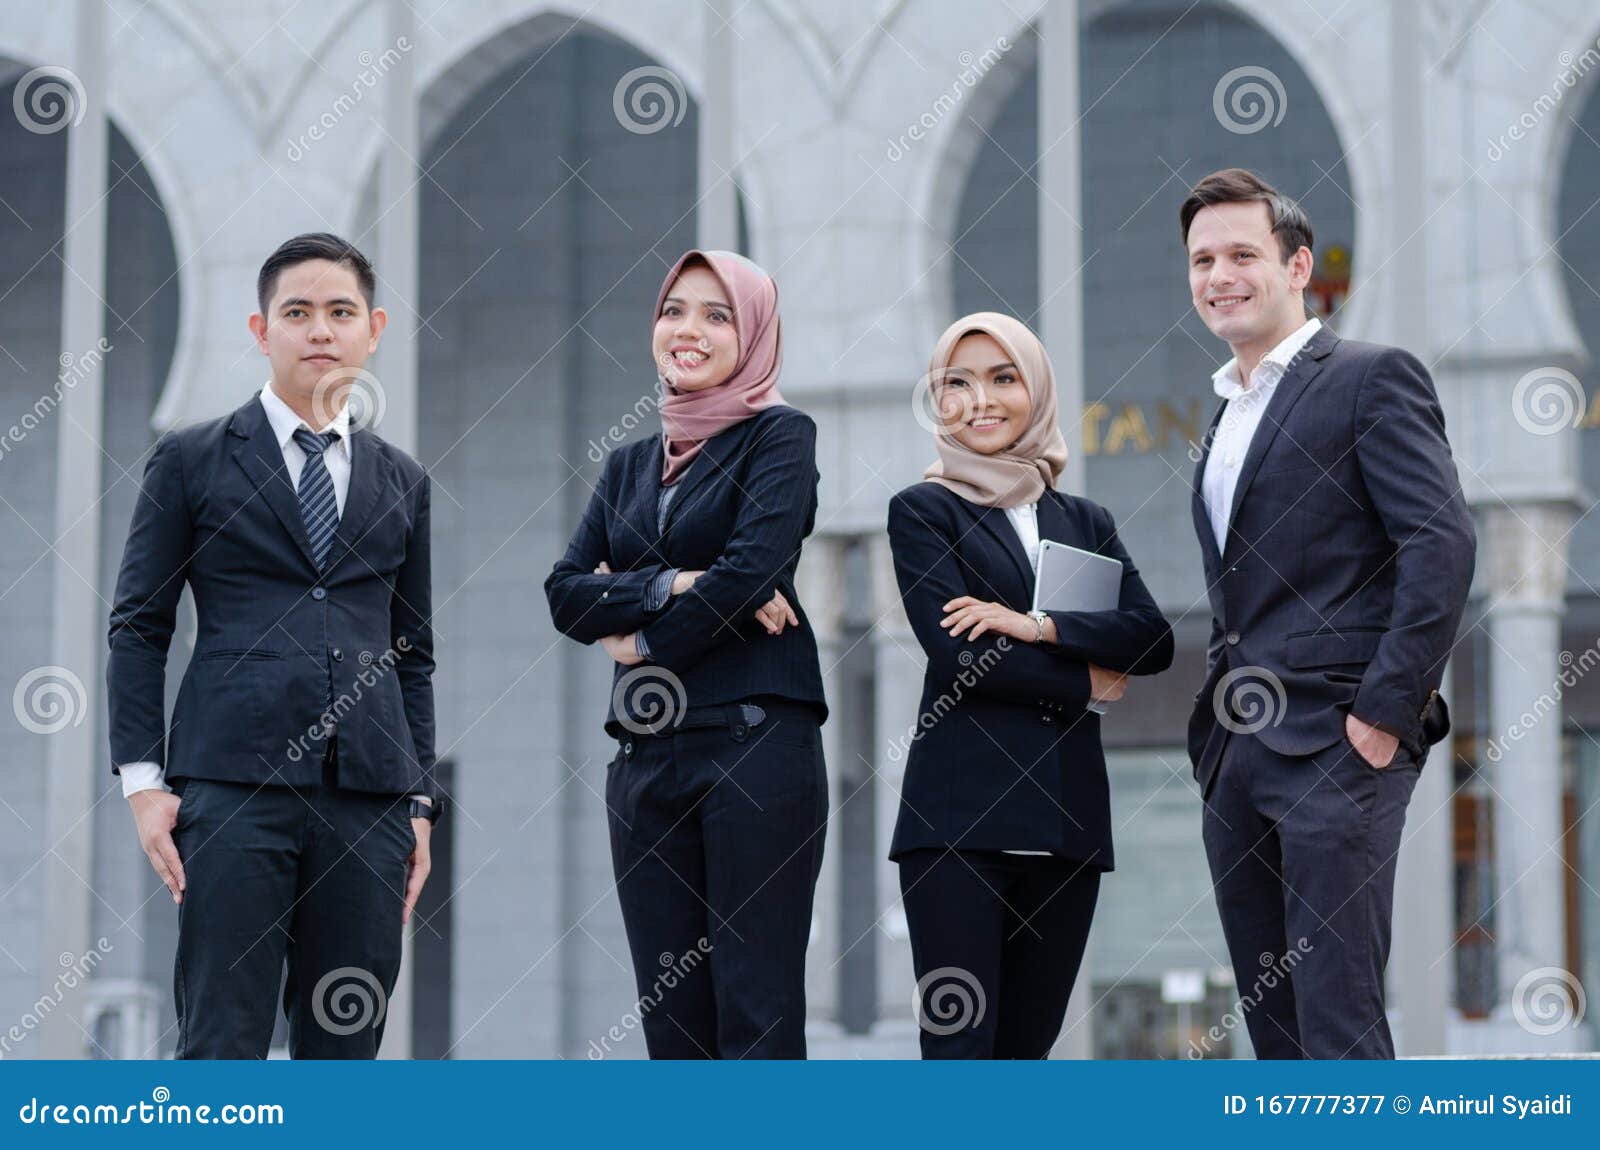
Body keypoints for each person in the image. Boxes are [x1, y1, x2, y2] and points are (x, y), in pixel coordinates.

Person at [108, 233, 439, 1058]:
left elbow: (415, 652)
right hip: (232, 787)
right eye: (298, 313)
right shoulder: (191, 460)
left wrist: (421, 801)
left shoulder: (403, 480)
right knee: (224, 1036)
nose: (320, 330)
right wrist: (143, 782)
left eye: (340, 312)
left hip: (369, 796)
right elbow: (139, 625)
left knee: (346, 1045)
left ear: (374, 328)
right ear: (262, 330)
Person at [1180, 168, 1475, 1059]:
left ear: (1299, 265)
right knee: (1275, 1031)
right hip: (1239, 751)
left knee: (1338, 1016)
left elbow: (1441, 544)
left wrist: (1381, 717)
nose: (1219, 275)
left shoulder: (1369, 378)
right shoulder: (1226, 412)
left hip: (1337, 744)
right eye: (1201, 260)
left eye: (1242, 254)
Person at [545, 249, 828, 1059]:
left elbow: (755, 570)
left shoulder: (781, 437)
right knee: (671, 1023)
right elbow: (564, 591)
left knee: (755, 1007)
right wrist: (678, 583)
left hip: (753, 746)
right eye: (674, 310)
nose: (688, 330)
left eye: (717, 314)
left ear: (756, 333)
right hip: (643, 760)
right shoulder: (628, 464)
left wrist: (634, 635)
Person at [886, 312, 1173, 1058]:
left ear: (1037, 390)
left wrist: (1036, 625)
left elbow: (1153, 639)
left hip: (1065, 826)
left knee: (1025, 1061)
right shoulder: (924, 512)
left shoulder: (1085, 519)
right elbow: (960, 660)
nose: (980, 400)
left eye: (1003, 378)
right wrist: (1089, 681)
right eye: (957, 383)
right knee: (959, 1063)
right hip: (958, 828)